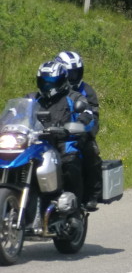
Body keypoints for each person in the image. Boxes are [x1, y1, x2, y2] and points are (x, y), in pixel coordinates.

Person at [32, 60, 96, 205]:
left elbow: (88, 115)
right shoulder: (32, 98)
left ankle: (74, 208)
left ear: (61, 81)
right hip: (37, 143)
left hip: (63, 141)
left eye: (51, 82)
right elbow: (16, 113)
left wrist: (75, 127)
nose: (47, 85)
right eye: (44, 81)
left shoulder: (74, 97)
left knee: (70, 161)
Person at [57, 50, 103, 210]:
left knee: (90, 151)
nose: (73, 77)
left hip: (80, 131)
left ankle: (92, 194)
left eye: (76, 73)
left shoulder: (87, 91)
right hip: (56, 132)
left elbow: (94, 116)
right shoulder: (53, 89)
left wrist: (84, 131)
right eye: (69, 73)